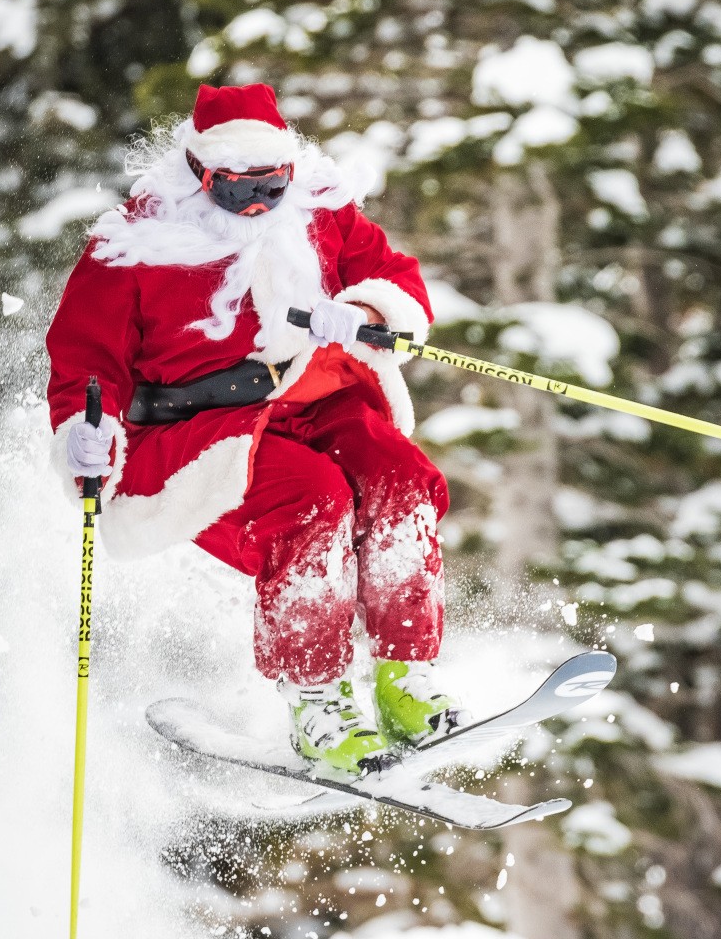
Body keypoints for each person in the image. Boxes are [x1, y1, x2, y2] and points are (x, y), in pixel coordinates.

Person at [45, 83, 461, 774]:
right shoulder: (134, 244)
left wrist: (365, 312)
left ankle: (404, 677)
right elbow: (83, 361)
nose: (259, 203)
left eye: (273, 184)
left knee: (402, 478)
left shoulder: (320, 210)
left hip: (307, 402)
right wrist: (84, 435)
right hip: (196, 437)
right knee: (313, 499)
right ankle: (318, 701)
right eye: (237, 189)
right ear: (199, 174)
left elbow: (396, 282)